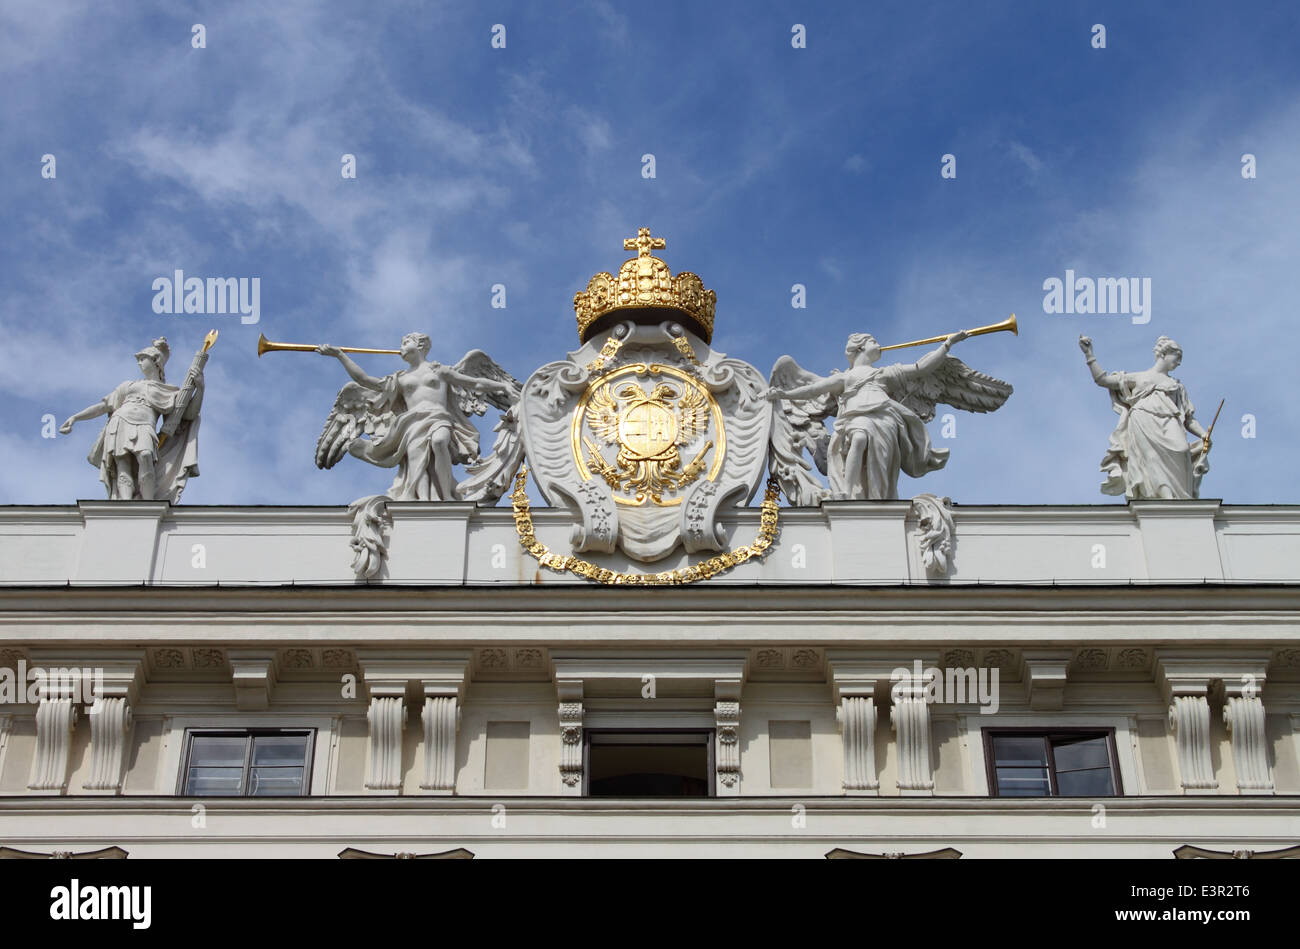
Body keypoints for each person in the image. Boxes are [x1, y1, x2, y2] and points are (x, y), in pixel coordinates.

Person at [767, 330, 967, 499]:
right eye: (873, 341)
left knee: (881, 460)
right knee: (859, 436)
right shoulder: (845, 377)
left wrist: (947, 345)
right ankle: (847, 491)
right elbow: (813, 390)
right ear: (860, 348)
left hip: (885, 418)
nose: (878, 344)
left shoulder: (885, 373)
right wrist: (784, 394)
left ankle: (880, 499)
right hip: (855, 417)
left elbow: (920, 368)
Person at [317, 333, 515, 501]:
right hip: (411, 424)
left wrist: (502, 386)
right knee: (416, 462)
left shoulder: (439, 370)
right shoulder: (400, 378)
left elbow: (476, 384)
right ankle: (421, 502)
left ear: (420, 345)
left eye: (405, 343)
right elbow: (364, 380)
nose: (401, 348)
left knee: (439, 442)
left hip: (438, 417)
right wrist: (340, 355)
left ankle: (446, 498)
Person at [60, 337, 199, 500]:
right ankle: (125, 506)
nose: (139, 363)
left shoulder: (168, 391)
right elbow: (103, 406)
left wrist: (200, 387)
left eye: (142, 359)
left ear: (155, 361)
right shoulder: (128, 386)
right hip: (119, 422)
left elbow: (189, 414)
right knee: (122, 466)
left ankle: (148, 505)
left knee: (146, 456)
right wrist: (75, 418)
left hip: (145, 425)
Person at [1079, 334, 1210, 499]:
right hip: (1143, 419)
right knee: (1152, 459)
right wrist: (1089, 354)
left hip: (1170, 421)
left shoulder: (1177, 385)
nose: (1179, 362)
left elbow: (1189, 419)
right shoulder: (1140, 377)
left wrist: (1203, 434)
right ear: (1164, 354)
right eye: (1177, 357)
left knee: (1183, 450)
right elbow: (1102, 380)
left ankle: (1181, 500)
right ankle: (1166, 497)